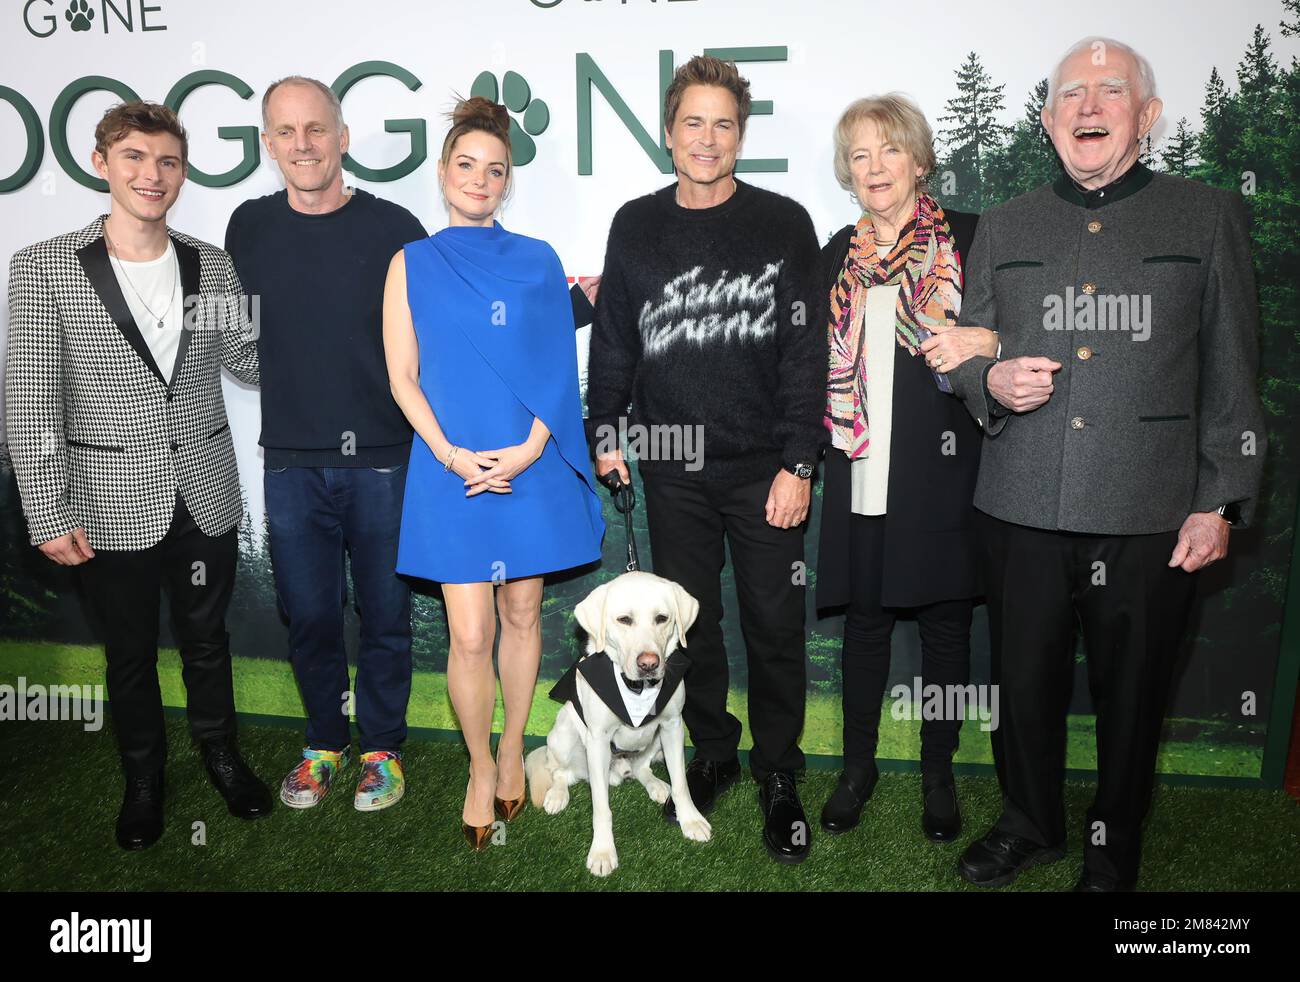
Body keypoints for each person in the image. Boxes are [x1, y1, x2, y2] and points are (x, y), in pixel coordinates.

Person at [946, 37, 1266, 891]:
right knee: (1022, 686)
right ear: (1048, 122)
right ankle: (1029, 824)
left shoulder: (1205, 215)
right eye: (1070, 96)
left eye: (1110, 91)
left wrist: (1222, 501)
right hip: (1019, 503)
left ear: (1147, 116)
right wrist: (989, 379)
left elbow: (1234, 375)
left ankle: (1112, 844)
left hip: (1150, 509)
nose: (1088, 106)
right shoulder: (1006, 223)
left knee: (1133, 697)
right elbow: (963, 353)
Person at [4, 101, 269, 849]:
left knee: (207, 640)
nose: (152, 176)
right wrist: (46, 511)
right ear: (102, 163)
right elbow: (29, 400)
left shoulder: (210, 263)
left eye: (168, 162)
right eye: (135, 158)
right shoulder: (43, 267)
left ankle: (222, 756)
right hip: (107, 501)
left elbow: (248, 362)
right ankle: (143, 778)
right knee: (128, 654)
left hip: (206, 491)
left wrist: (314, 319)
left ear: (182, 172)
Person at [587, 55, 824, 864]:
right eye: (694, 121)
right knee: (695, 630)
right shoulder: (635, 224)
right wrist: (604, 428)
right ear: (668, 130)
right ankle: (715, 751)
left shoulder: (784, 222)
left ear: (741, 136)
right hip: (669, 464)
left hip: (765, 469)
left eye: (724, 123)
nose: (708, 137)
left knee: (773, 625)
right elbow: (615, 339)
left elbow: (804, 350)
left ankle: (780, 774)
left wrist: (801, 461)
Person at [383, 97, 604, 850]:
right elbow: (403, 377)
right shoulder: (410, 262)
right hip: (449, 469)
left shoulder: (537, 260)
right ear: (442, 172)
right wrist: (449, 455)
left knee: (519, 615)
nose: (480, 180)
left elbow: (553, 366)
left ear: (508, 183)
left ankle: (515, 749)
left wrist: (533, 448)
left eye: (495, 170)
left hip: (525, 463)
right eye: (466, 165)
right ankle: (479, 766)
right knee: (468, 632)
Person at [224, 77, 426, 814]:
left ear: (342, 137)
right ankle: (322, 743)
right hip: (291, 463)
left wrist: (561, 302)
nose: (302, 144)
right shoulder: (247, 227)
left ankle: (381, 749)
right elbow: (232, 336)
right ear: (267, 145)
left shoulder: (394, 225)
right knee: (307, 612)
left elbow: (443, 320)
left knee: (384, 612)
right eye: (286, 132)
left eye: (316, 129)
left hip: (382, 458)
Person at [813, 94, 995, 842]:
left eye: (890, 150)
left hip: (947, 468)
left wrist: (985, 335)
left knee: (948, 626)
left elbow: (1015, 328)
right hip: (861, 467)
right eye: (860, 155)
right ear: (847, 173)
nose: (875, 167)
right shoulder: (836, 257)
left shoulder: (975, 241)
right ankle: (857, 769)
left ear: (920, 161)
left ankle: (939, 773)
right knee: (865, 623)